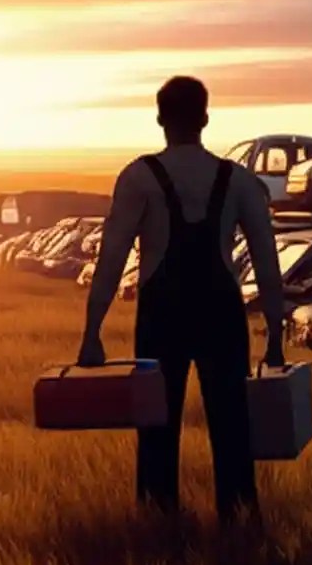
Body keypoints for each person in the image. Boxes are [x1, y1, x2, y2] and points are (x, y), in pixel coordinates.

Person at [77, 75, 285, 525]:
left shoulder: (138, 178)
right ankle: (240, 526)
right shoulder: (240, 182)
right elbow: (268, 266)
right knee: (232, 428)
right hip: (221, 314)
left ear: (159, 119)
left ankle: (158, 522)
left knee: (155, 427)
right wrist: (275, 336)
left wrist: (92, 333)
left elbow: (111, 257)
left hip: (161, 315)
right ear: (205, 119)